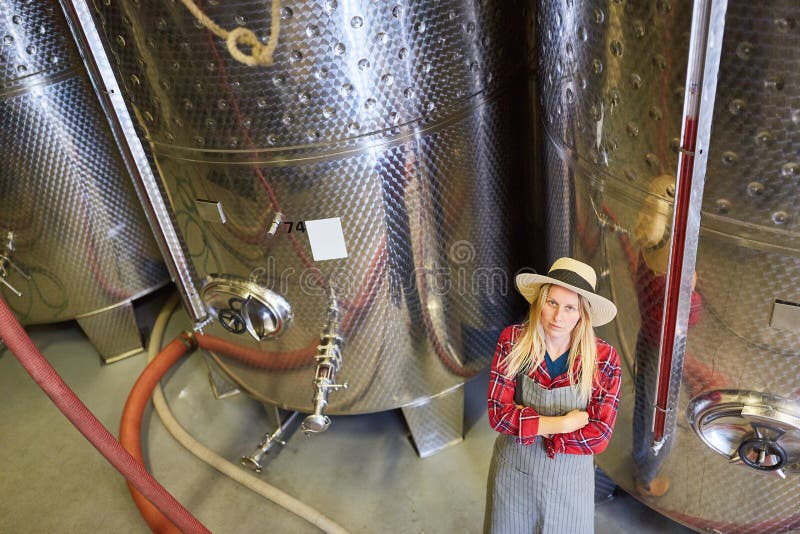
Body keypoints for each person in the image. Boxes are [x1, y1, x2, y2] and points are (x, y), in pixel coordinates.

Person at [484, 257, 621, 534]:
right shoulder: (513, 340)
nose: (559, 317)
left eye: (570, 308)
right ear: (540, 302)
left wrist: (528, 423)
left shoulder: (604, 358)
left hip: (570, 483)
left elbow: (600, 434)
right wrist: (564, 424)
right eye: (552, 303)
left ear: (583, 313)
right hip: (515, 474)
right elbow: (498, 415)